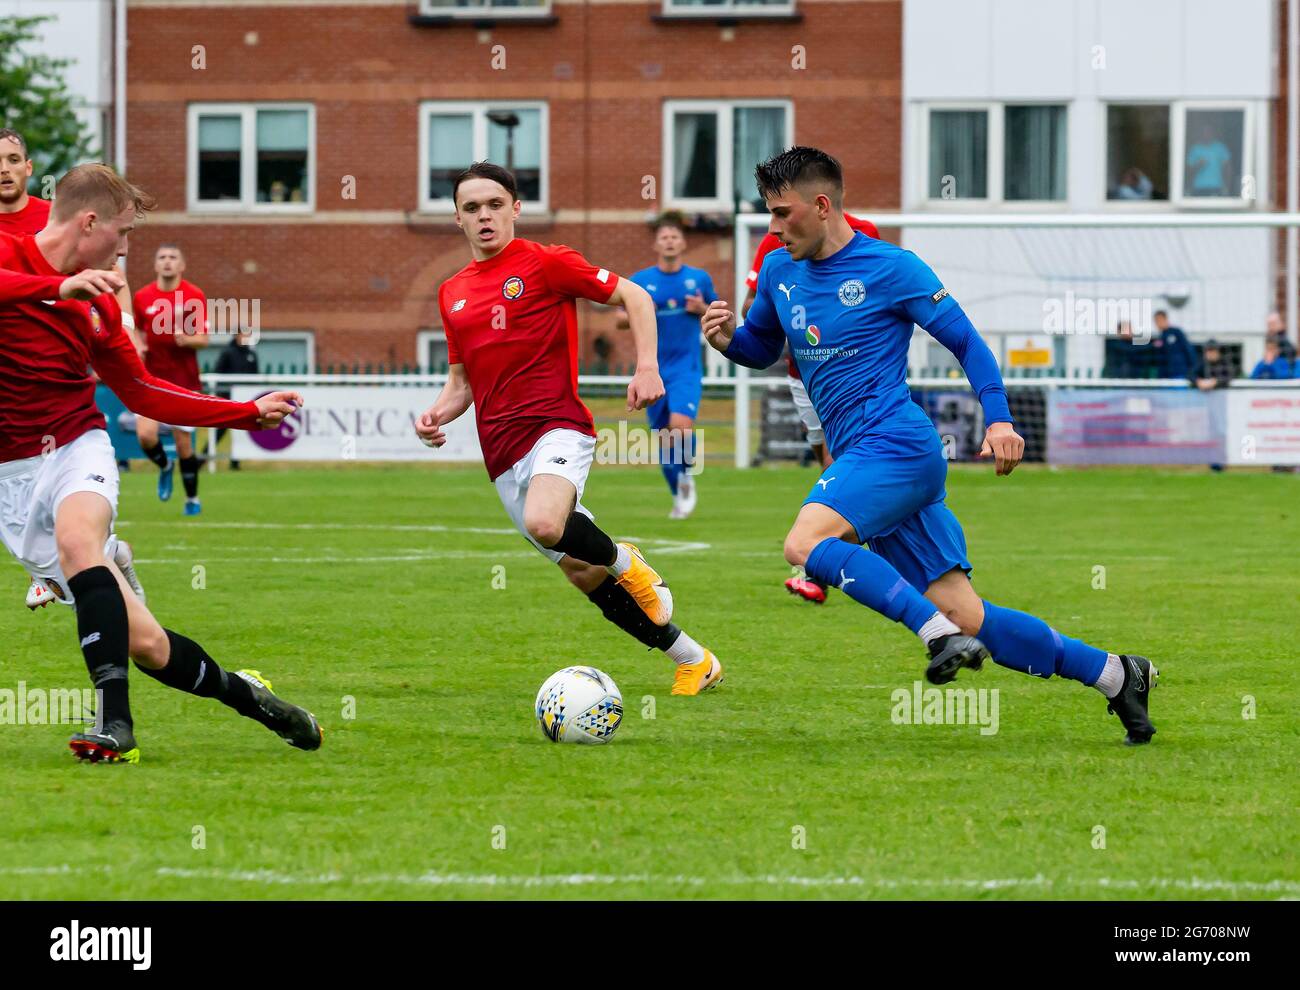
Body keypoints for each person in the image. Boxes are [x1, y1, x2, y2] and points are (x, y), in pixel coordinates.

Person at [703, 146, 1157, 744]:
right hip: (870, 460)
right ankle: (1115, 674)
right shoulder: (781, 270)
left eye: (783, 213)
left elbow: (967, 343)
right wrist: (726, 340)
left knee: (803, 543)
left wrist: (999, 420)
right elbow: (762, 347)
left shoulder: (893, 268)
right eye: (768, 214)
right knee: (973, 616)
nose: (773, 227)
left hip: (897, 443)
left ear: (821, 204)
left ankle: (935, 634)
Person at [0, 163, 319, 763]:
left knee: (77, 541)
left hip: (74, 444)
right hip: (9, 478)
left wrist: (244, 412)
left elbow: (144, 392)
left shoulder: (96, 305)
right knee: (146, 643)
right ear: (89, 222)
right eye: (121, 237)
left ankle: (114, 726)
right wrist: (51, 289)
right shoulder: (10, 252)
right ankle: (252, 698)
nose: (125, 252)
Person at [415, 162, 723, 696]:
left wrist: (647, 366)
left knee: (544, 521)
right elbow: (461, 383)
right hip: (500, 452)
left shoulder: (546, 263)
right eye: (471, 208)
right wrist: (436, 415)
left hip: (556, 426)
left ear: (515, 208)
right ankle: (693, 658)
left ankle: (628, 561)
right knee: (582, 573)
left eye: (494, 205)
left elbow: (636, 296)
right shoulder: (452, 294)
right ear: (457, 219)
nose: (484, 216)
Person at [2, 126, 141, 611]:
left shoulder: (53, 219)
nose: (4, 168)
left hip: (46, 382)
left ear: (28, 168)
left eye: (13, 159)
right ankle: (97, 557)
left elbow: (108, 272)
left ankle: (81, 563)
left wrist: (119, 324)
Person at [743, 210, 880, 604]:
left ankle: (818, 563)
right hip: (803, 376)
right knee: (832, 465)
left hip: (856, 374)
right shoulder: (775, 242)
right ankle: (827, 559)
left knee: (850, 465)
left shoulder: (864, 232)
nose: (777, 222)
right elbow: (752, 303)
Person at [620, 213, 717, 519]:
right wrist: (646, 310)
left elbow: (716, 313)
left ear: (683, 243)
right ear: (656, 244)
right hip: (652, 368)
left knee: (680, 426)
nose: (670, 241)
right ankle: (678, 491)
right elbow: (620, 319)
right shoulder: (640, 281)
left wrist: (701, 309)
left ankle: (686, 475)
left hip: (685, 367)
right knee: (663, 436)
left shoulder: (699, 279)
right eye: (664, 237)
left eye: (675, 236)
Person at [132, 244, 209, 515]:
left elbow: (203, 339)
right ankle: (165, 466)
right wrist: (138, 346)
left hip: (183, 382)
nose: (167, 262)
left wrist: (187, 339)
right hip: (151, 380)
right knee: (145, 436)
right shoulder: (142, 297)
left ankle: (192, 499)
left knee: (184, 445)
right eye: (162, 257)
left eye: (173, 257)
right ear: (155, 265)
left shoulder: (193, 295)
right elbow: (136, 332)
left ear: (182, 266)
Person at [214, 330, 260, 469]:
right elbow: (218, 373)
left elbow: (255, 376)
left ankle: (235, 462)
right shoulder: (228, 353)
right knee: (220, 430)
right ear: (236, 335)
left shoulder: (251, 354)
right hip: (228, 399)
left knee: (240, 430)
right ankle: (202, 459)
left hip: (246, 400)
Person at [1152, 310, 1196, 379]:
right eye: (1156, 321)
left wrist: (1192, 368)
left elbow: (1188, 349)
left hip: (1180, 371)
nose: (1157, 323)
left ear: (1165, 319)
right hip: (1166, 374)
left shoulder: (1176, 332)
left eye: (1158, 320)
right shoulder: (1161, 337)